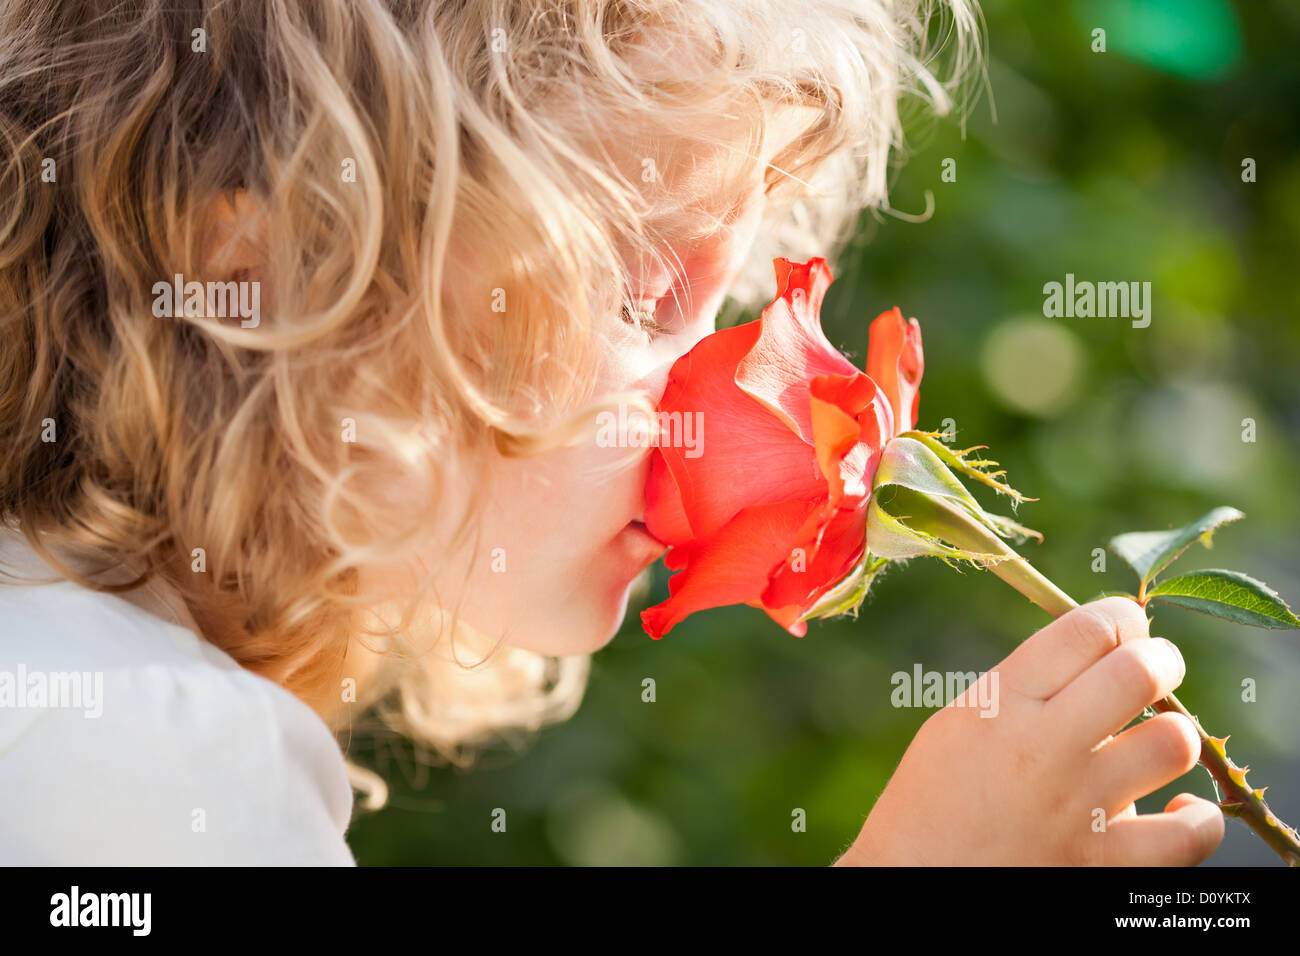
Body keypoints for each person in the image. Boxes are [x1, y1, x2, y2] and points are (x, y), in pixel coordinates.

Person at [0, 0, 1222, 865]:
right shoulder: (149, 753)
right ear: (269, 281)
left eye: (725, 300)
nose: (714, 382)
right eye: (641, 295)